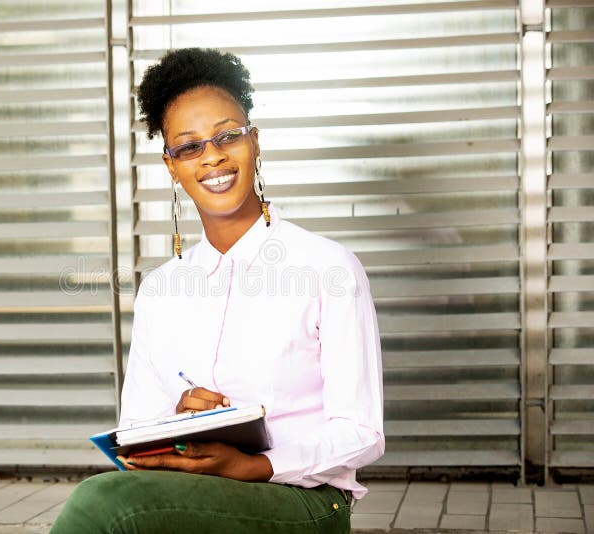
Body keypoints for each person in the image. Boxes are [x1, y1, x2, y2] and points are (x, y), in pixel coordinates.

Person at [51, 47, 384, 534]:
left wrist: (251, 465)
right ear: (171, 164)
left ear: (254, 141)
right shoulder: (161, 291)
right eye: (189, 146)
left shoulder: (326, 267)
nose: (212, 156)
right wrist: (177, 421)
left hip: (305, 500)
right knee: (118, 500)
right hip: (200, 492)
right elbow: (136, 434)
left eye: (228, 135)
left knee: (108, 504)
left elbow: (363, 434)